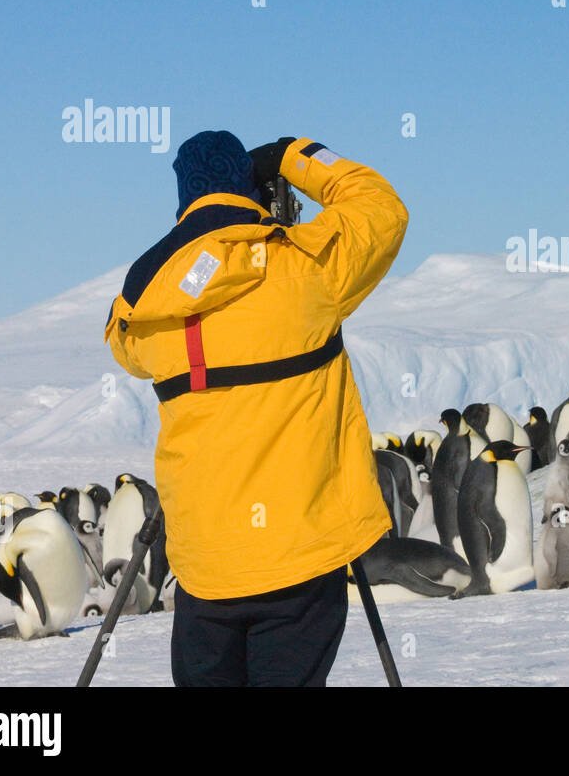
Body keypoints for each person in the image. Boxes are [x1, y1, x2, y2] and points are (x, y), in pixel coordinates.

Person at [104, 130, 408, 686]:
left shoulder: (148, 307)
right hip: (300, 555)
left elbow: (120, 335)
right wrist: (296, 155)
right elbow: (381, 208)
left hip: (204, 569)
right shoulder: (311, 269)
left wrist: (184, 244)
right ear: (253, 186)